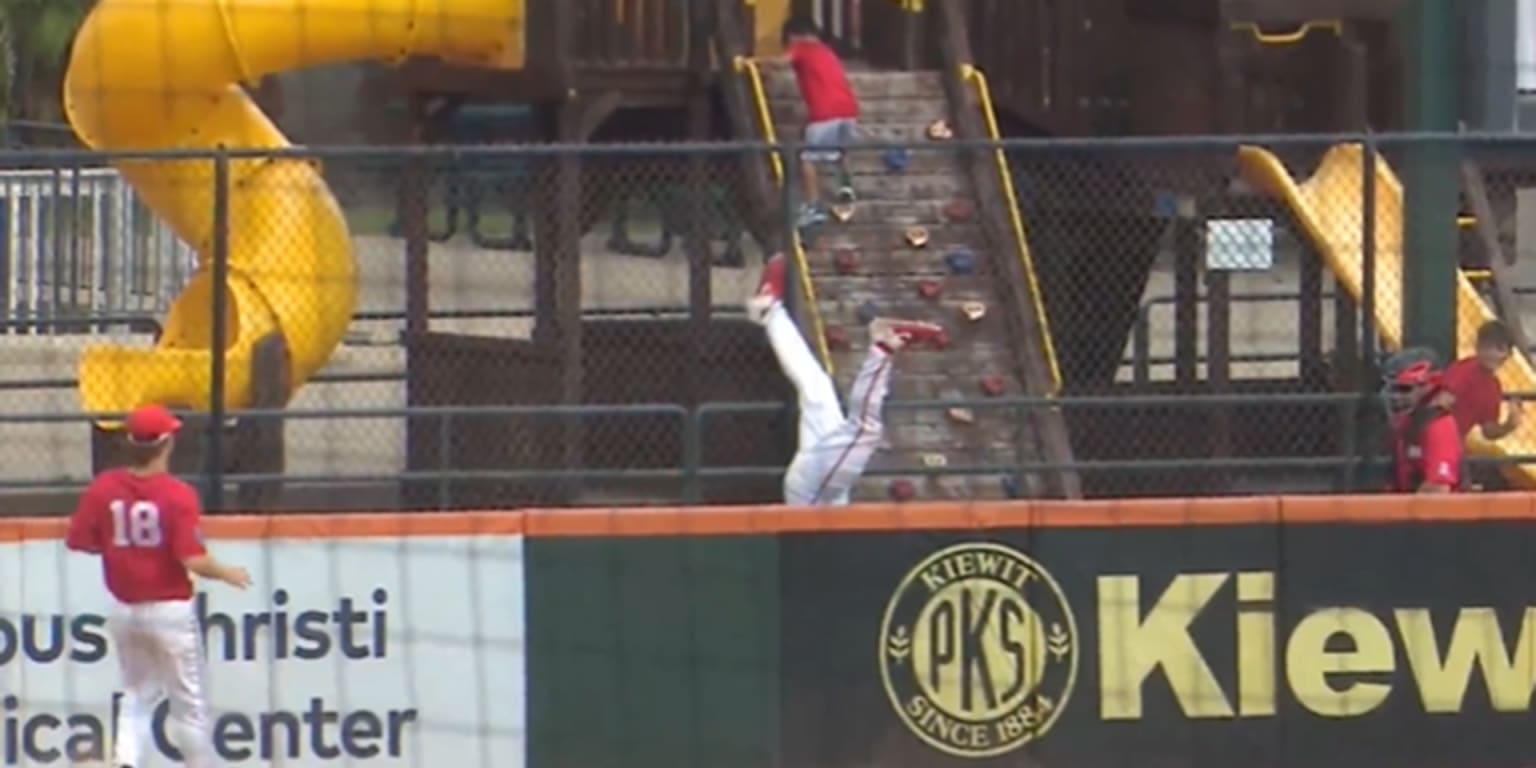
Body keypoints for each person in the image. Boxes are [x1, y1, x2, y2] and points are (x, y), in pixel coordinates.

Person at [66, 404, 251, 768]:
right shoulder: (176, 494)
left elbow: (80, 541)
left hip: (124, 608)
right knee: (189, 703)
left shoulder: (105, 488)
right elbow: (192, 559)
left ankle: (125, 761)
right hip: (169, 609)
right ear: (166, 444)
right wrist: (228, 572)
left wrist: (121, 545)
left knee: (136, 693)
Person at [747, 253, 946, 505]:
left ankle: (882, 350)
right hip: (820, 489)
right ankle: (770, 311)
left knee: (863, 428)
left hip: (812, 497)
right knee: (817, 389)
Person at [771, 15, 859, 229]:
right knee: (841, 150)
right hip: (849, 108)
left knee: (807, 159)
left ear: (792, 36)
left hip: (825, 111)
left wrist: (755, 62)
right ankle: (845, 185)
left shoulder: (801, 47)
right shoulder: (827, 51)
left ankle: (813, 207)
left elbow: (781, 62)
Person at [1439, 319, 1522, 441]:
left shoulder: (1494, 386)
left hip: (1454, 444)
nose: (1493, 353)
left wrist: (1509, 425)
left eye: (1500, 349)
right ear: (1478, 347)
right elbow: (1440, 405)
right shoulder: (1465, 371)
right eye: (1487, 347)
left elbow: (1488, 431)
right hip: (1437, 441)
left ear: (1508, 355)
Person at [1389, 362, 1463, 493]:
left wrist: (1403, 511)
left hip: (1442, 511)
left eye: (1405, 389)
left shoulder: (1439, 425)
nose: (1397, 397)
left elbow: (1438, 488)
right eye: (1394, 390)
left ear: (1427, 388)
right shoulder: (1408, 421)